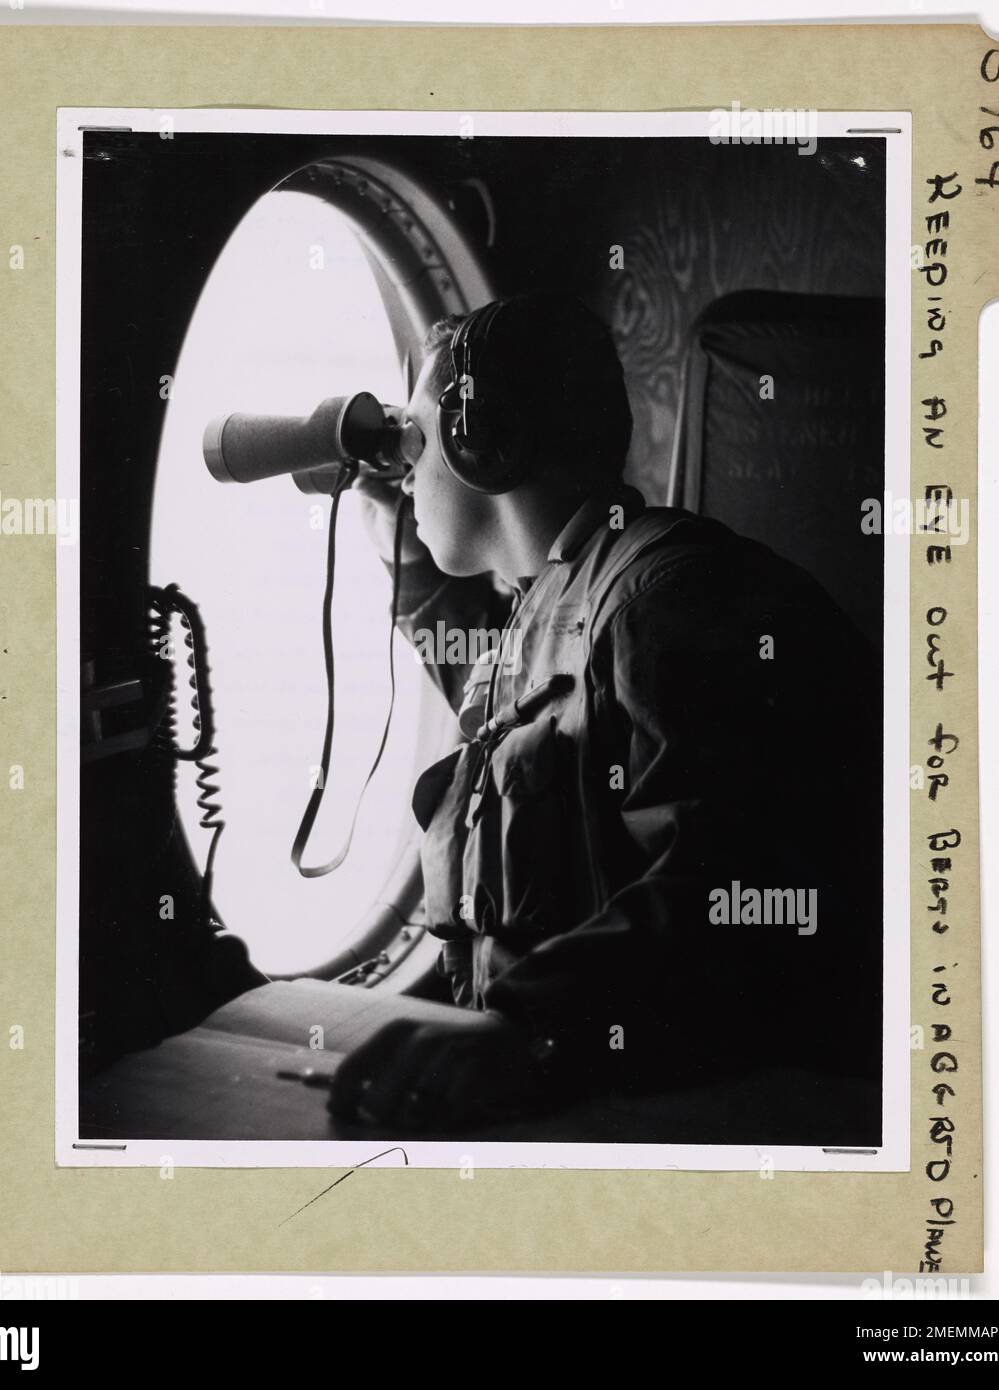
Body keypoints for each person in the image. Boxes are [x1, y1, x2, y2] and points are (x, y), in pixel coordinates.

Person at [329, 292, 881, 1133]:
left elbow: (735, 883)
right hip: (592, 1084)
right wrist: (399, 550)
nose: (406, 473)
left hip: (691, 1115)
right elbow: (507, 735)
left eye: (415, 442)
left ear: (481, 445)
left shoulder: (672, 602)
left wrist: (525, 1028)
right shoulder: (555, 598)